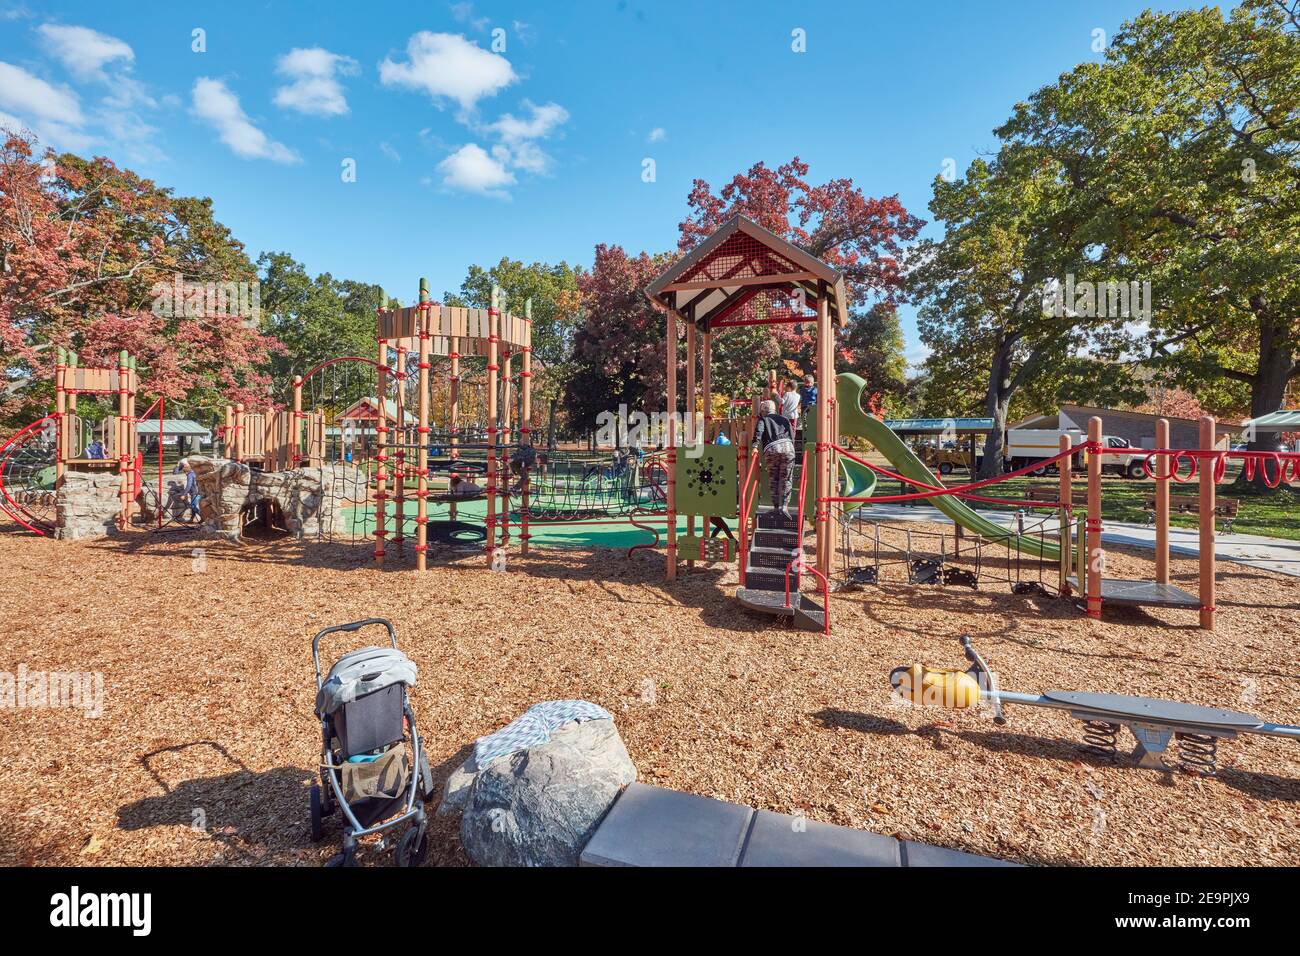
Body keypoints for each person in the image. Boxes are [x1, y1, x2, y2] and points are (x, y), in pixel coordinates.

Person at [752, 399, 796, 519]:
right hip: (787, 448)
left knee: (774, 479)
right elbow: (791, 435)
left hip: (772, 450)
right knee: (786, 478)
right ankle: (785, 506)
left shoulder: (763, 419)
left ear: (763, 411)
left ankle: (776, 507)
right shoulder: (784, 419)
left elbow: (759, 432)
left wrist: (754, 446)